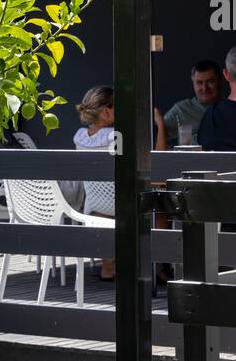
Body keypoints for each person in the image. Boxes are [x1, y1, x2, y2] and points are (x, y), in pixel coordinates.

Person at [73, 86, 167, 280]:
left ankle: (108, 267)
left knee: (109, 209)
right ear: (107, 111)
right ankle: (158, 269)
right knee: (160, 208)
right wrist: (160, 125)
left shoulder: (80, 137)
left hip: (95, 205)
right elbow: (143, 166)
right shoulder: (116, 136)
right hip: (123, 202)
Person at [163, 59, 221, 145]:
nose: (205, 88)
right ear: (193, 83)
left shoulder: (230, 108)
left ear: (220, 81)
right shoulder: (181, 110)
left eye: (210, 81)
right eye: (199, 83)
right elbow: (154, 136)